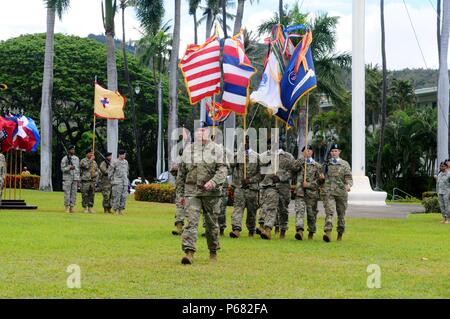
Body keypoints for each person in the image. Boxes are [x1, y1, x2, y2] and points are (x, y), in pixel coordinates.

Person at [176, 125, 228, 264]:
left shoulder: (217, 149)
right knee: (191, 222)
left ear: (210, 133)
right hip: (191, 192)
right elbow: (181, 174)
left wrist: (214, 182)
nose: (200, 133)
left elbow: (223, 169)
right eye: (198, 131)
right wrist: (180, 195)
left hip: (211, 193)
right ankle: (189, 253)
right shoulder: (188, 150)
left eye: (203, 130)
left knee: (211, 224)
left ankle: (213, 251)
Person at [259, 136, 294, 240]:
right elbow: (260, 165)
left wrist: (280, 177)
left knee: (283, 209)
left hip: (283, 187)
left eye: (275, 143)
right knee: (271, 207)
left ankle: (283, 230)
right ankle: (268, 229)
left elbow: (292, 171)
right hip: (270, 186)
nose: (272, 145)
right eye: (270, 143)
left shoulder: (288, 156)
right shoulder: (266, 156)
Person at [229, 136, 260, 238]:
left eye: (247, 141)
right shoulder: (238, 155)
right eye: (243, 141)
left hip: (252, 189)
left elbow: (261, 174)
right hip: (240, 187)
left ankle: (251, 230)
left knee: (252, 211)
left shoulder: (257, 157)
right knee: (237, 209)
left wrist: (250, 180)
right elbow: (231, 165)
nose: (245, 143)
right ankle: (236, 229)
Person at [321, 143, 353, 242]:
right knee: (329, 212)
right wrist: (321, 178)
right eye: (332, 151)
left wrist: (348, 185)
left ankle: (340, 234)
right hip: (328, 192)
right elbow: (321, 179)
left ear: (339, 152)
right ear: (330, 153)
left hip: (341, 192)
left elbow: (348, 177)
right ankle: (328, 232)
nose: (334, 153)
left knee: (341, 214)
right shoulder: (326, 164)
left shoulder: (345, 164)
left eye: (336, 151)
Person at [291, 145, 322, 240]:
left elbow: (320, 182)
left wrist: (308, 185)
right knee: (299, 211)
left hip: (312, 194)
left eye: (309, 150)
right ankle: (299, 231)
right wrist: (302, 158)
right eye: (305, 151)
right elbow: (293, 169)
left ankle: (311, 232)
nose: (307, 152)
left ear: (312, 152)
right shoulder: (299, 163)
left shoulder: (317, 166)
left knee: (311, 214)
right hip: (300, 192)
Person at [109, 149, 129, 215]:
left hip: (125, 182)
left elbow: (127, 171)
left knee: (124, 196)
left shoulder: (126, 162)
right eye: (122, 154)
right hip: (117, 181)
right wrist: (112, 181)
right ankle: (116, 209)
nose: (123, 156)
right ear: (119, 155)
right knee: (117, 196)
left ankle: (121, 209)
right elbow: (110, 172)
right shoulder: (114, 162)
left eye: (124, 154)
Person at [60, 145, 80, 213]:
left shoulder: (76, 158)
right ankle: (67, 207)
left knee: (74, 193)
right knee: (67, 193)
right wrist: (69, 168)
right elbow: (62, 169)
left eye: (73, 149)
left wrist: (78, 179)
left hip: (75, 178)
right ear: (69, 150)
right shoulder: (65, 158)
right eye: (71, 149)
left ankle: (72, 206)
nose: (73, 151)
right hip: (67, 178)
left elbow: (78, 169)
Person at [79, 148, 99, 213]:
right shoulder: (83, 160)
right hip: (85, 180)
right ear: (87, 154)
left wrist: (95, 174)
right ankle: (85, 207)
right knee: (85, 194)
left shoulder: (94, 162)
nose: (92, 154)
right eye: (90, 153)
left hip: (92, 180)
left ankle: (90, 207)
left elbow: (97, 170)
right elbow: (86, 166)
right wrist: (90, 160)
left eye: (92, 153)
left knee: (92, 194)